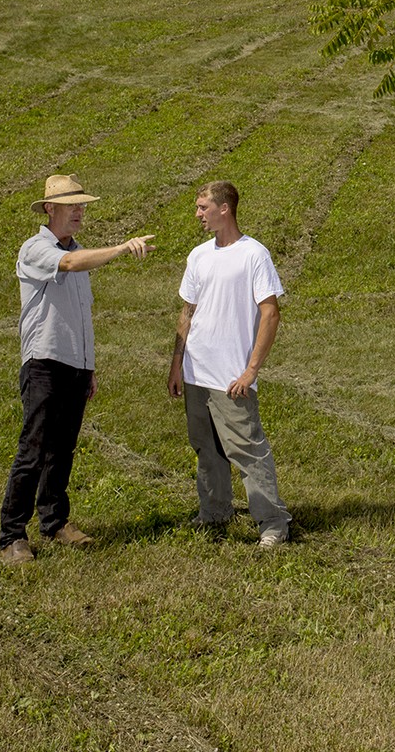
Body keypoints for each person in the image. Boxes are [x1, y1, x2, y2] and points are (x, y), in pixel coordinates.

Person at [0, 173, 152, 567]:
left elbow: (81, 315)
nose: (80, 211)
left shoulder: (79, 252)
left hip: (75, 366)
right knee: (33, 450)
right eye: (72, 205)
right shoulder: (36, 249)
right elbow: (66, 264)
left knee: (62, 449)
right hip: (44, 363)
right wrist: (119, 248)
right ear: (50, 209)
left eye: (82, 204)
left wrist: (89, 367)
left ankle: (53, 521)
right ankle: (12, 535)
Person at [168, 180, 291, 546]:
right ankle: (215, 512)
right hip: (196, 374)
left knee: (247, 450)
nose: (198, 214)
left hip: (230, 377)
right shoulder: (199, 255)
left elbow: (270, 313)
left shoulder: (254, 255)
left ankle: (273, 523)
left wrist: (251, 370)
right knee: (206, 448)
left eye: (203, 207)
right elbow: (187, 312)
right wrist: (177, 364)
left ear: (225, 209)